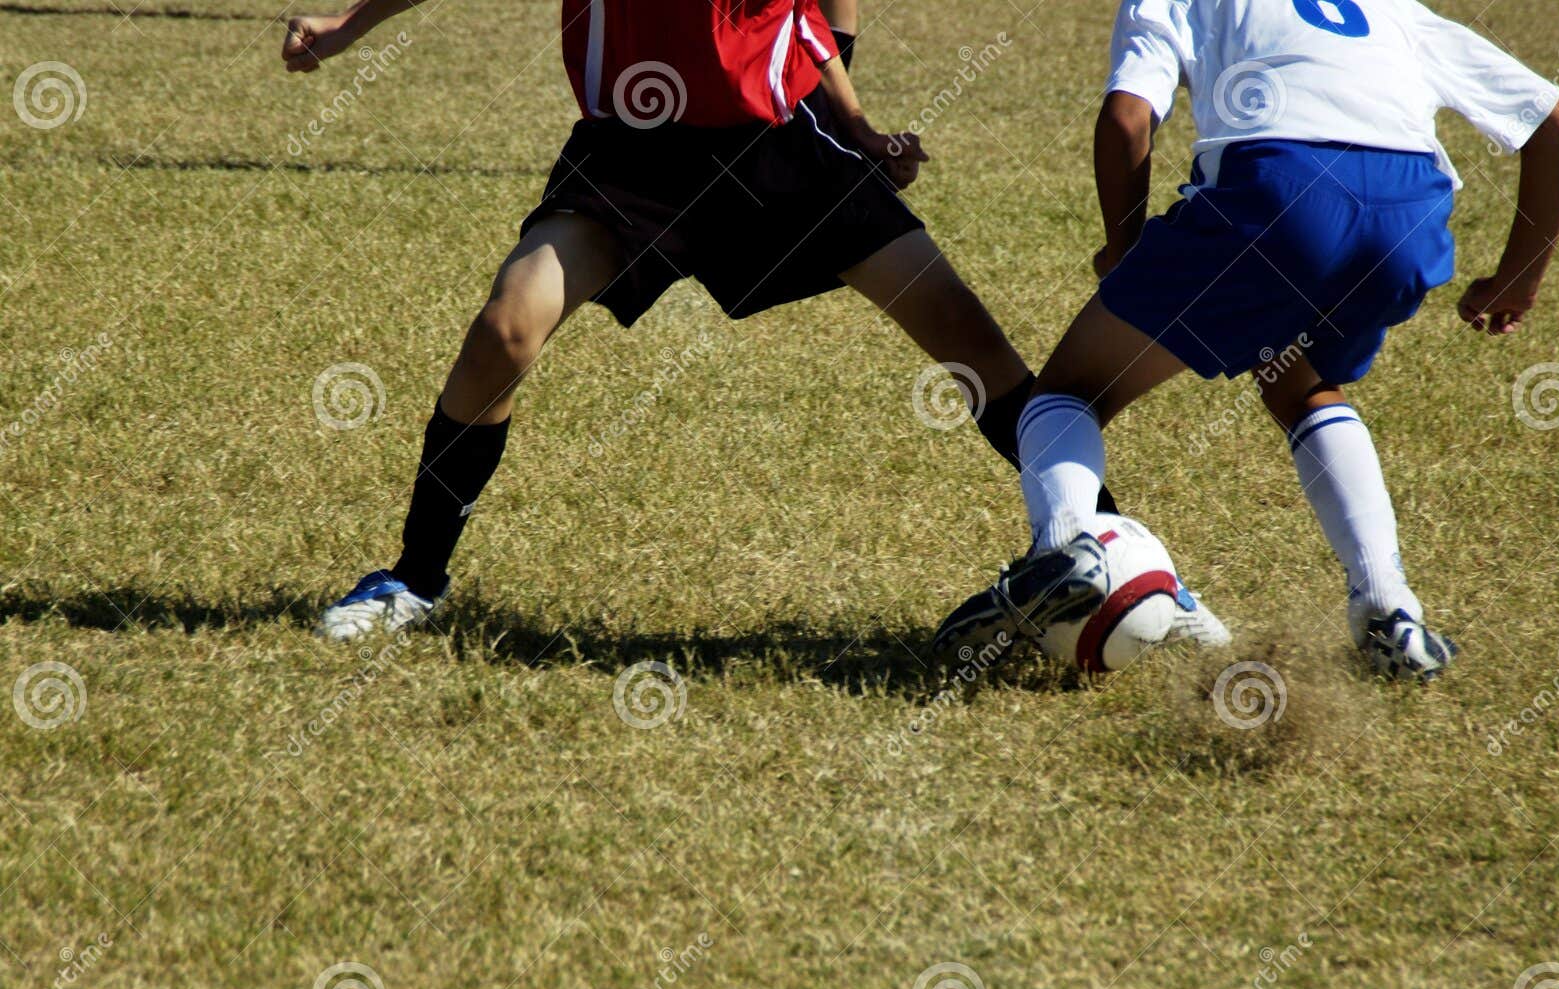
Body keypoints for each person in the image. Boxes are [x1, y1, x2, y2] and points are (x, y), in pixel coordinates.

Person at [282, 0, 1219, 644]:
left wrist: (858, 129)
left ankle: (1137, 573)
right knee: (503, 332)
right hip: (630, 156)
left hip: (781, 148)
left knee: (970, 343)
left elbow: (809, 16)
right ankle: (415, 577)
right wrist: (345, 28)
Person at [933, 0, 1559, 680]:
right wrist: (1519, 280)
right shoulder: (1387, 7)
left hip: (1281, 192)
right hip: (1408, 216)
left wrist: (1125, 252)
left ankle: (1068, 545)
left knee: (1070, 389)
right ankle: (1390, 608)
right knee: (1296, 383)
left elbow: (1128, 120)